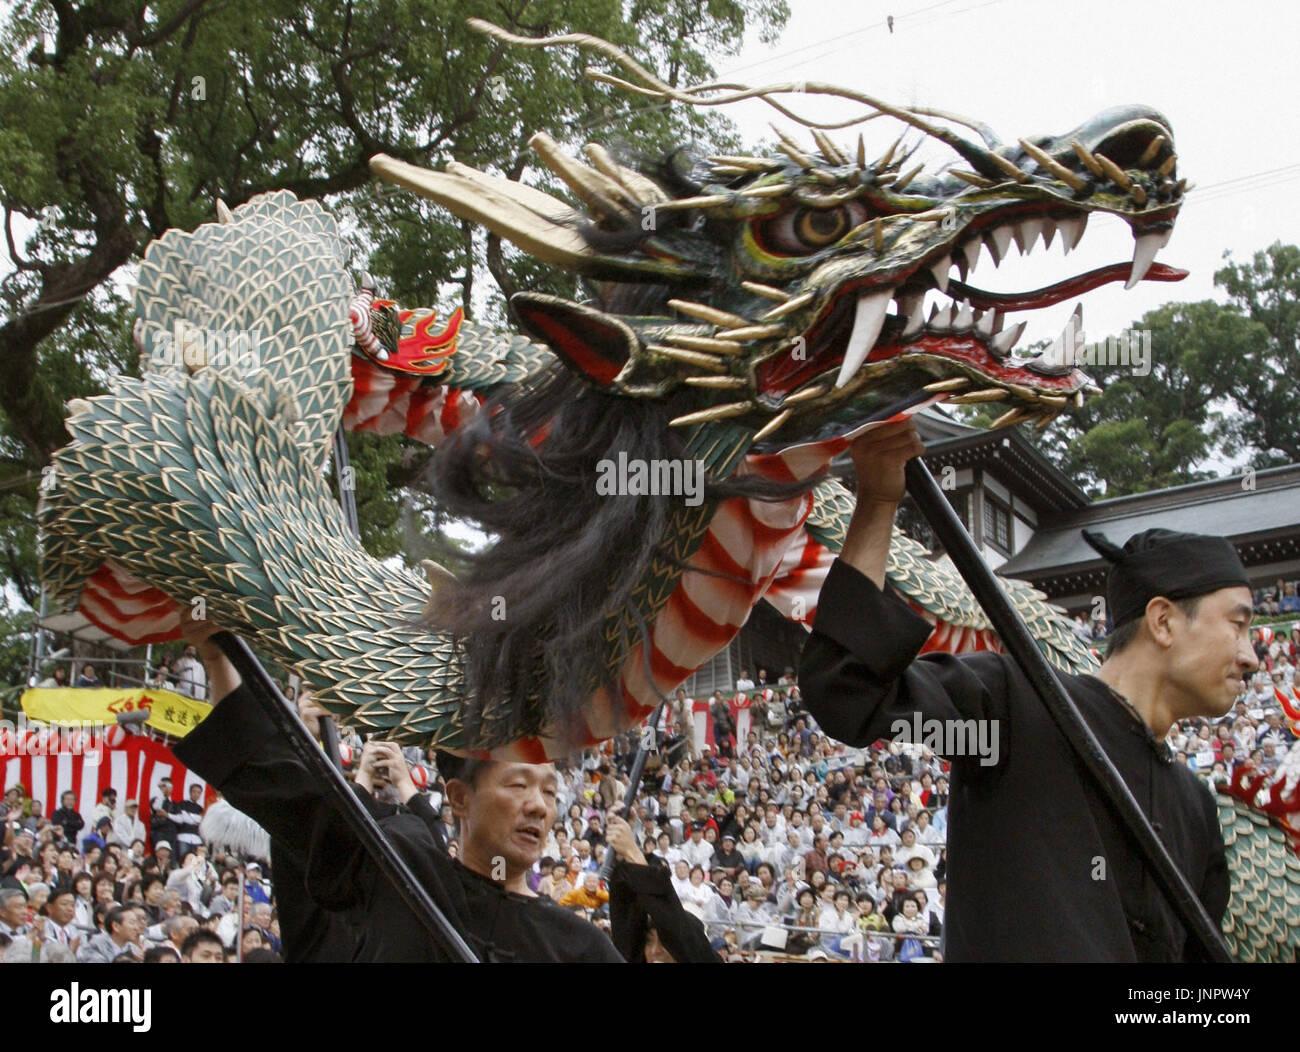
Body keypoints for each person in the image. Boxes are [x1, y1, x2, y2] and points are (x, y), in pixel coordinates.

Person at [798, 418, 1244, 962]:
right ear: (1165, 623)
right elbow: (849, 693)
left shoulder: (1194, 805)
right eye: (1238, 624)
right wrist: (877, 504)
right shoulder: (1014, 708)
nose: (1248, 653)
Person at [172, 619, 624, 962]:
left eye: (549, 791)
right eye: (519, 784)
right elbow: (289, 789)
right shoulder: (400, 873)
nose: (538, 806)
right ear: (460, 798)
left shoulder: (582, 945)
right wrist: (217, 656)